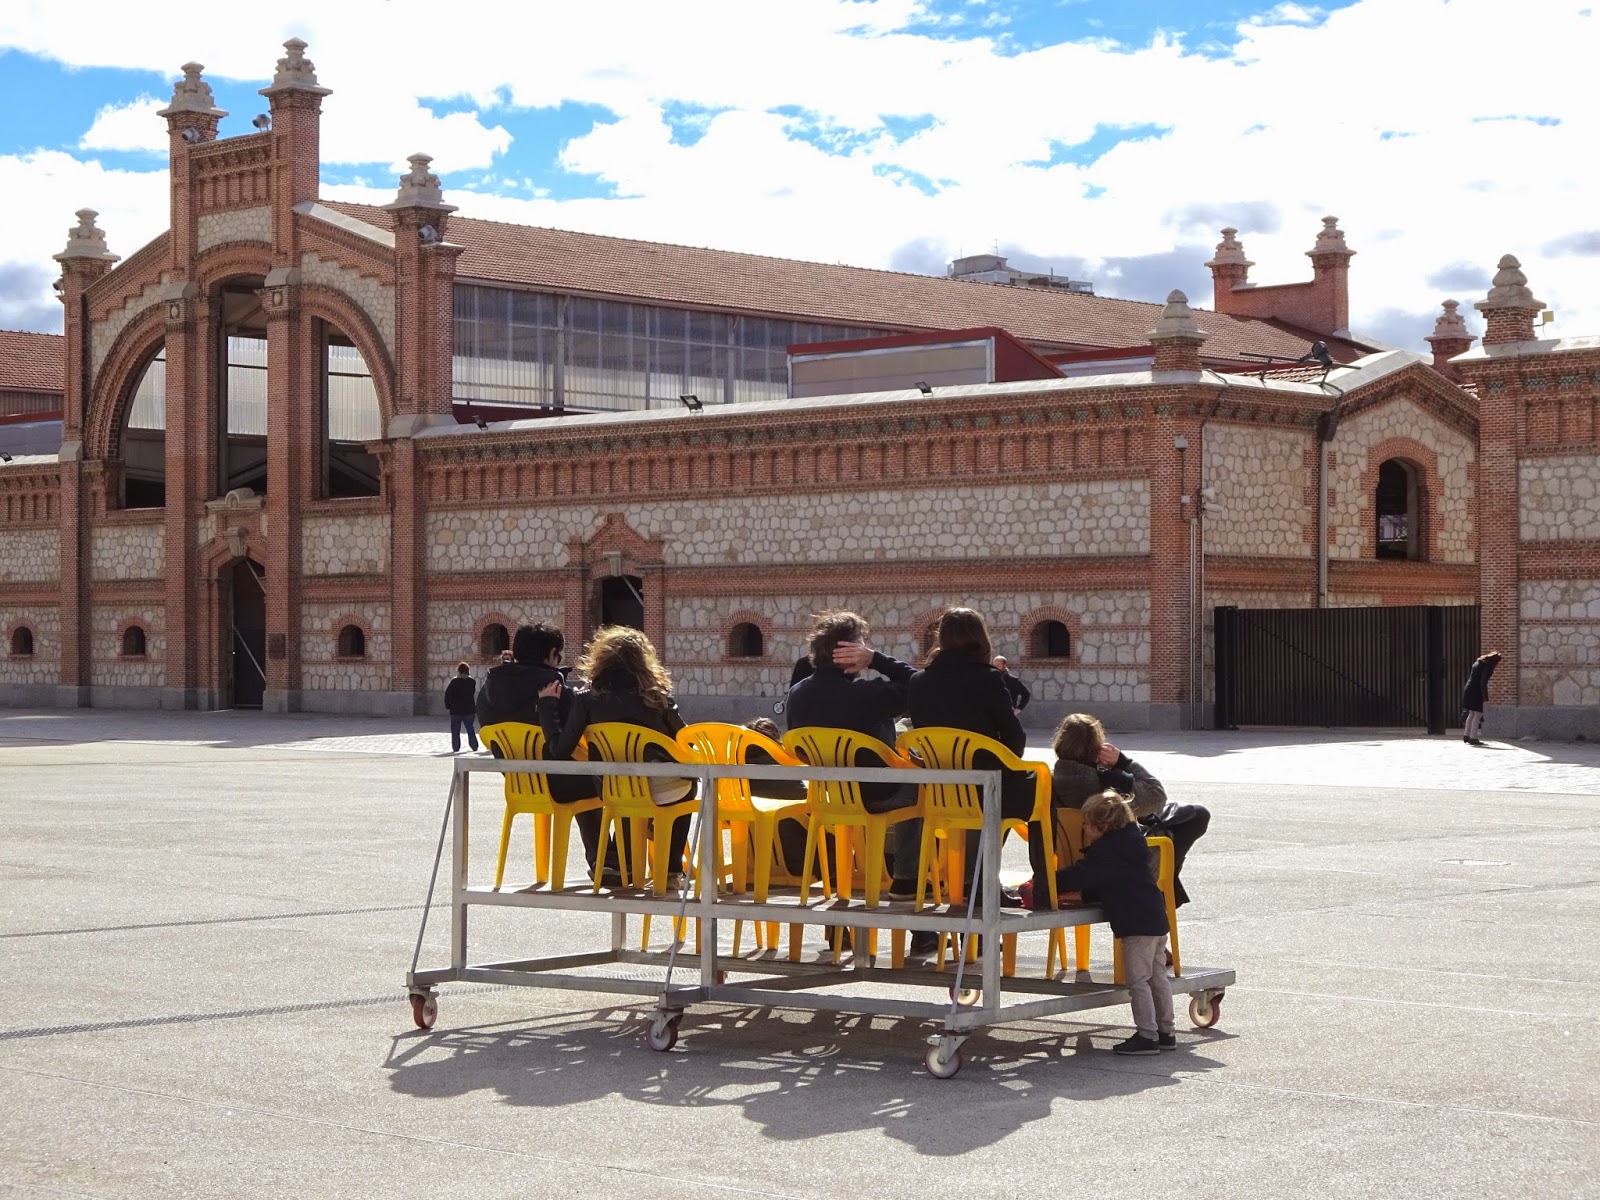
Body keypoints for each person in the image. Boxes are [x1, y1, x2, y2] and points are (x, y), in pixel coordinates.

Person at [784, 610, 933, 954]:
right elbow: (921, 687)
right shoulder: (868, 695)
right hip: (876, 796)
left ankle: (841, 923)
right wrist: (877, 660)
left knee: (854, 831)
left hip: (826, 800)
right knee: (924, 788)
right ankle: (908, 882)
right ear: (853, 651)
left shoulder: (798, 693)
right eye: (863, 645)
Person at [909, 609, 1051, 904]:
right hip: (986, 790)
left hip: (940, 790)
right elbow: (1015, 739)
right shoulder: (988, 679)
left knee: (995, 798)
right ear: (980, 638)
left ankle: (973, 881)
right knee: (1042, 786)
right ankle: (1041, 885)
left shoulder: (919, 681)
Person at [538, 626, 694, 888]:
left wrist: (547, 707)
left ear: (600, 660)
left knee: (625, 788)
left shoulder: (587, 700)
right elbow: (686, 742)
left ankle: (621, 865)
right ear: (645, 661)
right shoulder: (658, 697)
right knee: (690, 786)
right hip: (664, 790)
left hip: (613, 789)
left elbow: (559, 750)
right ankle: (670, 871)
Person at [477, 624, 614, 882]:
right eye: (559, 656)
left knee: (586, 778)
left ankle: (606, 860)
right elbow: (572, 737)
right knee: (607, 782)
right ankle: (608, 861)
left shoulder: (488, 690)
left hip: (519, 783)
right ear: (552, 654)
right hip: (557, 781)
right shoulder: (554, 689)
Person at [1053, 790, 1176, 1055]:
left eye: (1086, 823)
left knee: (1138, 981)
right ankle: (1166, 1031)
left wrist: (1048, 882)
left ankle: (1147, 1036)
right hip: (1154, 915)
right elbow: (1114, 880)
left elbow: (1082, 875)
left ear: (1103, 825)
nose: (1083, 828)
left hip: (1135, 924)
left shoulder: (1107, 851)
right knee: (1158, 978)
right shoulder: (1132, 842)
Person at [1051, 711, 1208, 906]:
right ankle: (1162, 883)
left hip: (1070, 863)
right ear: (1097, 746)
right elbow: (1157, 795)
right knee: (1197, 815)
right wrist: (1124, 763)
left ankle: (1167, 883)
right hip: (1116, 865)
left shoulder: (1049, 782)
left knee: (1170, 816)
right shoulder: (1108, 784)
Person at [1461, 650, 1503, 746]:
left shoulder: (1478, 662)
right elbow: (1483, 682)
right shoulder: (1488, 667)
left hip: (1469, 688)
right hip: (1476, 691)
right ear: (1495, 661)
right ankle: (1473, 737)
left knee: (1471, 713)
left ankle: (1466, 735)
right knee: (1478, 714)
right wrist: (1485, 699)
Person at [443, 661, 479, 752]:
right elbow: (472, 693)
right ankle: (474, 746)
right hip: (469, 709)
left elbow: (448, 695)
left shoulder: (454, 682)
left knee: (455, 730)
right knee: (470, 729)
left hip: (456, 710)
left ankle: (456, 748)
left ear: (458, 671)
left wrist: (448, 706)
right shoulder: (472, 682)